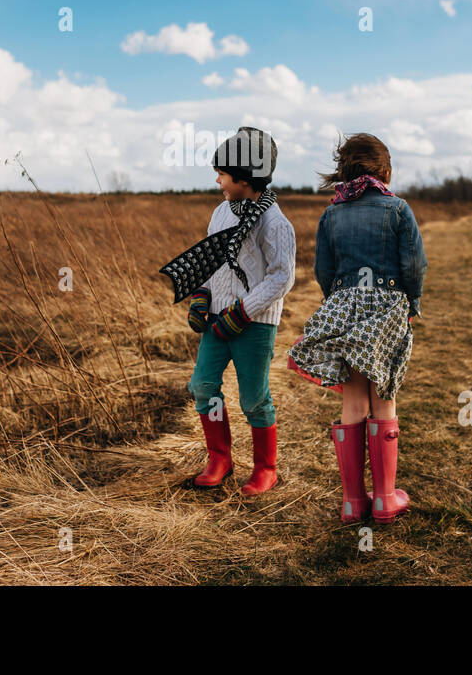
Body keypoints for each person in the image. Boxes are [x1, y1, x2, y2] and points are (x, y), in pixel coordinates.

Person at [287, 133, 426, 523]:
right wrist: (411, 303)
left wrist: (338, 301)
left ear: (343, 171)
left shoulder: (332, 213)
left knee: (353, 402)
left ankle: (352, 502)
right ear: (385, 170)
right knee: (384, 394)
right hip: (387, 308)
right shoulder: (398, 209)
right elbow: (415, 265)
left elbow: (323, 270)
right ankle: (384, 498)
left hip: (345, 305)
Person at [159, 127, 296, 496]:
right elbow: (210, 263)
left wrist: (243, 311)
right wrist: (202, 297)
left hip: (253, 325)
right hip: (216, 322)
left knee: (254, 398)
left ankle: (266, 468)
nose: (217, 179)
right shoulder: (221, 213)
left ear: (244, 176)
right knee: (203, 386)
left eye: (222, 172)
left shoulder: (275, 223)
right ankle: (220, 458)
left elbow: (281, 278)